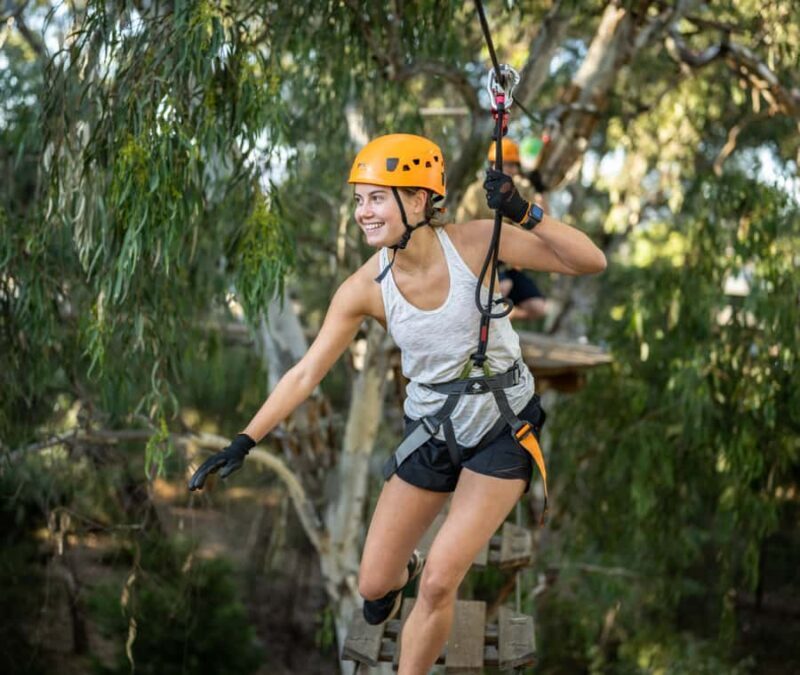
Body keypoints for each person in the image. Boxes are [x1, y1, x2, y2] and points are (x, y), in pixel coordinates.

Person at [188, 133, 606, 674]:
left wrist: (525, 212)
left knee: (438, 582)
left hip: (503, 429)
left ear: (417, 200)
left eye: (376, 198)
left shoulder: (478, 243)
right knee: (373, 585)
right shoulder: (365, 287)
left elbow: (589, 261)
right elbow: (307, 371)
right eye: (359, 199)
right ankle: (398, 570)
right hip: (433, 432)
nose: (363, 212)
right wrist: (245, 438)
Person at [457, 137, 549, 321]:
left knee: (538, 308)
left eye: (514, 165)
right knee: (503, 285)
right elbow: (462, 228)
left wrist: (540, 193)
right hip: (483, 260)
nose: (511, 170)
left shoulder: (524, 189)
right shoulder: (476, 192)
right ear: (492, 166)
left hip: (511, 259)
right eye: (506, 165)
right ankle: (480, 322)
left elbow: (542, 222)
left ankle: (499, 319)